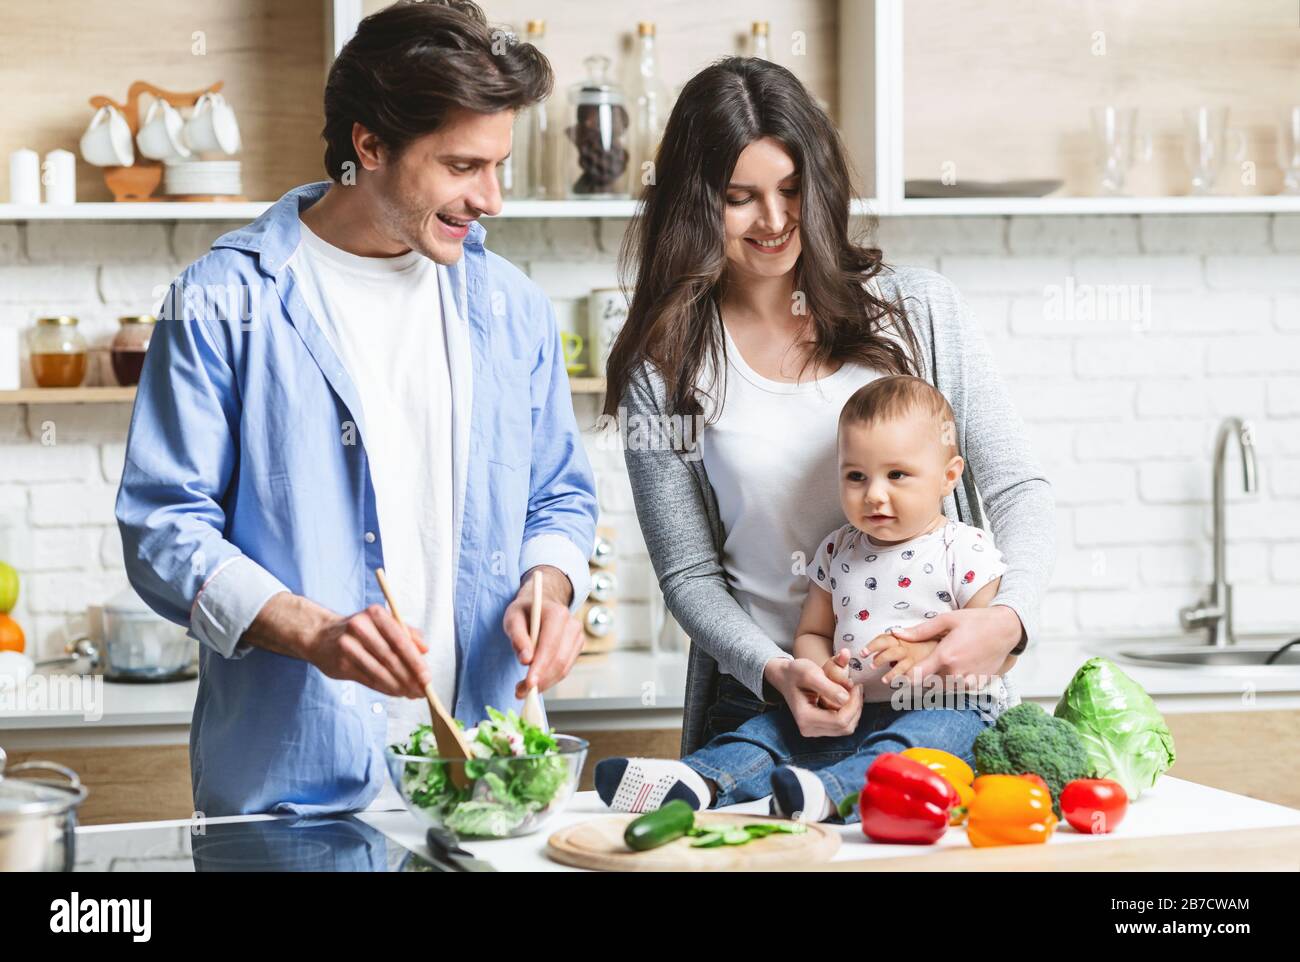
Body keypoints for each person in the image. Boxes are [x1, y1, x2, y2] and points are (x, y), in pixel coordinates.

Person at [115, 0, 597, 817]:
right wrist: (313, 632)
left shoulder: (511, 307)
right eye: (461, 167)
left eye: (499, 166)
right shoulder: (221, 301)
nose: (493, 199)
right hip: (297, 802)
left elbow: (559, 494)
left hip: (485, 789)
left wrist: (549, 585)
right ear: (368, 146)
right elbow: (163, 527)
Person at [600, 57, 1056, 797]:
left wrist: (1007, 619)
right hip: (767, 700)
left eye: (792, 189)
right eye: (739, 198)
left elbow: (1018, 489)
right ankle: (697, 780)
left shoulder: (920, 311)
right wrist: (780, 667)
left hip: (931, 692)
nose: (775, 221)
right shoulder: (664, 363)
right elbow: (688, 574)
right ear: (691, 204)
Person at [597, 376, 1017, 821]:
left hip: (944, 709)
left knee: (911, 747)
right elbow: (813, 631)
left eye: (897, 475)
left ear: (948, 477)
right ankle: (693, 781)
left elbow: (995, 650)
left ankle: (831, 794)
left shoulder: (966, 550)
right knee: (766, 732)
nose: (874, 494)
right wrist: (822, 671)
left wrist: (923, 652)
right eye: (856, 476)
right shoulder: (837, 550)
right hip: (848, 712)